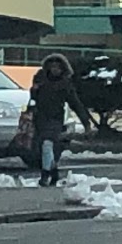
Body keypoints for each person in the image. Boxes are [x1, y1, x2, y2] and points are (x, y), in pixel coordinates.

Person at [27, 53, 93, 188]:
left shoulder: (65, 83)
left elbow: (75, 103)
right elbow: (34, 97)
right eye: (52, 66)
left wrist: (86, 123)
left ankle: (45, 175)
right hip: (39, 118)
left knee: (47, 144)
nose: (55, 69)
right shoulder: (40, 78)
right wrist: (34, 90)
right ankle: (53, 171)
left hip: (55, 118)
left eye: (58, 66)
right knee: (43, 147)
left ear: (63, 68)